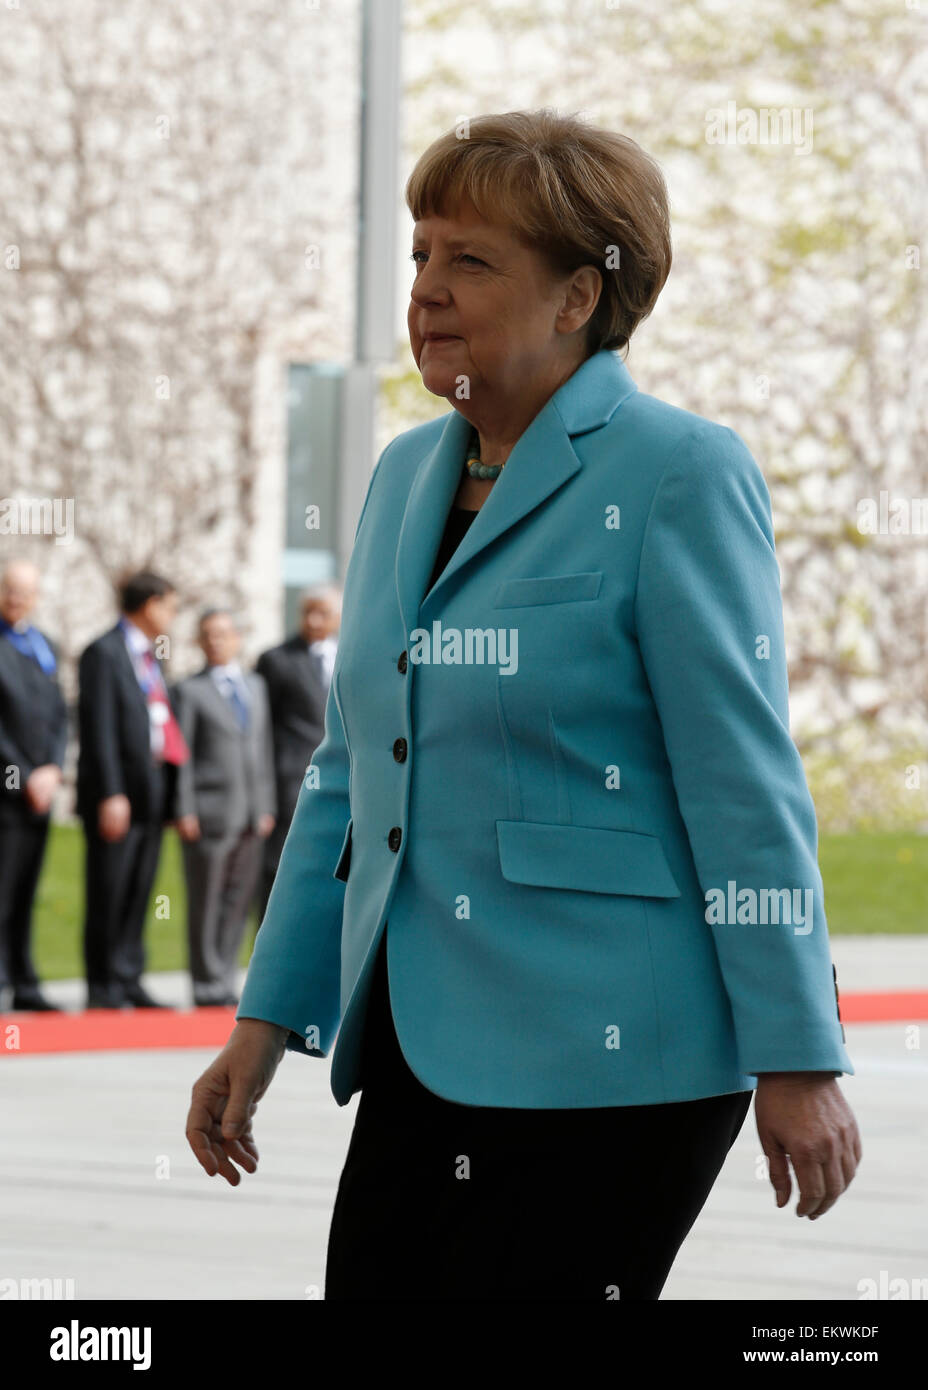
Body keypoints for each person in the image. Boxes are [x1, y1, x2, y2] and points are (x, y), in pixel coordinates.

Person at [186, 109, 861, 1301]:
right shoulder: (403, 474)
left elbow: (741, 782)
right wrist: (266, 1015)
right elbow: (350, 772)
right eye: (420, 254)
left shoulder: (679, 470)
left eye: (472, 260)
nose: (427, 288)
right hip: (416, 1046)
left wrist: (796, 1052)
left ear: (577, 298)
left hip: (618, 1061)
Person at [77, 570, 188, 1009]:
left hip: (152, 787)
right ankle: (102, 983)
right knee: (109, 886)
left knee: (141, 886)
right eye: (170, 607)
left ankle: (128, 975)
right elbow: (98, 727)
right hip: (118, 792)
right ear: (150, 604)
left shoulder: (152, 656)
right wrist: (111, 792)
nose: (173, 616)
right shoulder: (103, 652)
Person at [173, 609, 276, 1007]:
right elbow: (182, 755)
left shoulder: (256, 686)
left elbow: (263, 749)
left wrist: (265, 805)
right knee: (206, 899)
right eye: (208, 635)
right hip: (209, 811)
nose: (216, 641)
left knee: (238, 900)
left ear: (237, 638)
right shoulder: (189, 690)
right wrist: (184, 808)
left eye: (223, 634)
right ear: (200, 642)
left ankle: (226, 977)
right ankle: (205, 981)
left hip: (251, 813)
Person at [0, 560, 68, 1012]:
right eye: (10, 589)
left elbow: (60, 715)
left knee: (27, 889)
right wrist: (24, 774)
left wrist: (54, 769)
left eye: (25, 592)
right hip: (7, 790)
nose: (17, 599)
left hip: (40, 791)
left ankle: (24, 980)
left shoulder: (45, 645)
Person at [254, 586, 340, 919]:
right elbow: (260, 730)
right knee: (280, 865)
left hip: (343, 780)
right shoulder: (275, 661)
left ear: (339, 617)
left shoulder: (349, 656)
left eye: (323, 613)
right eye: (308, 612)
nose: (314, 620)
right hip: (289, 781)